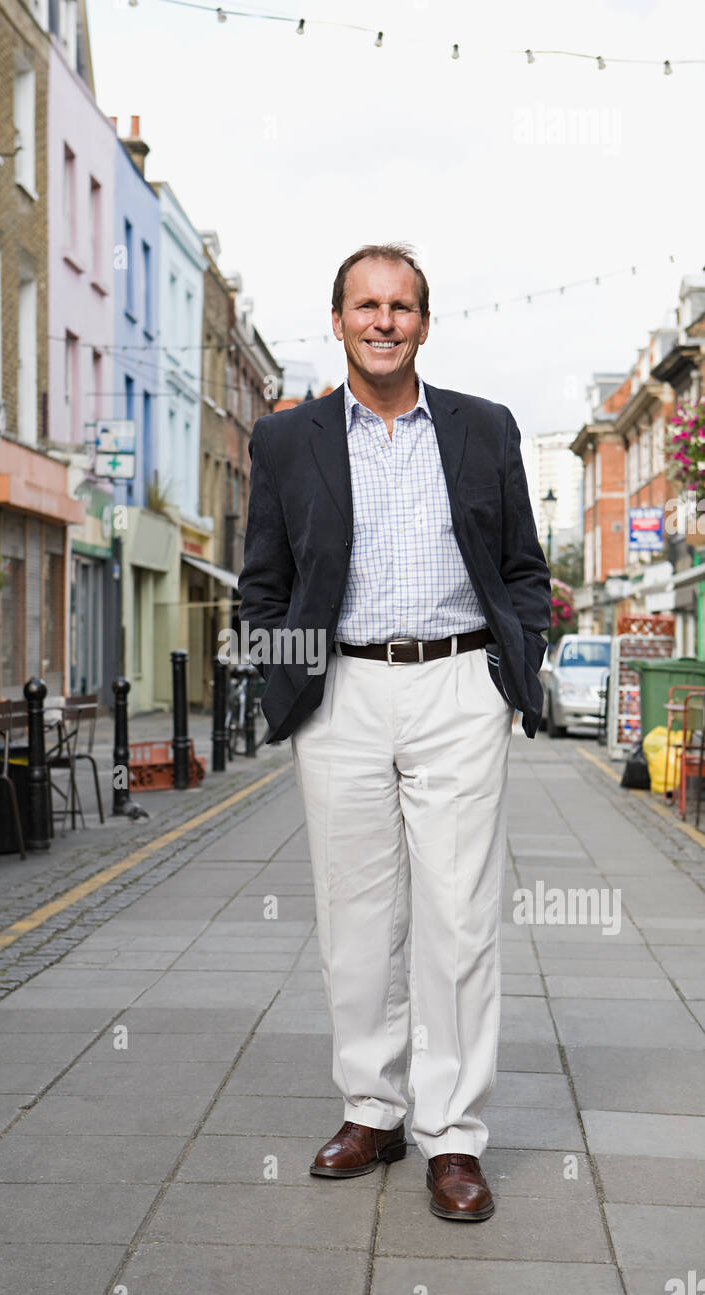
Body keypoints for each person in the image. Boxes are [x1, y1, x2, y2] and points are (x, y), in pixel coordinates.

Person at [236, 243, 551, 1221]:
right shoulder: (284, 441)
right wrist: (283, 684)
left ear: (423, 320)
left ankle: (450, 1135)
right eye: (364, 305)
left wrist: (510, 668)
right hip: (341, 694)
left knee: (458, 920)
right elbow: (263, 580)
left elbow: (523, 568)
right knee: (355, 920)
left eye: (400, 306)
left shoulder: (482, 428)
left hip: (456, 685)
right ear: (335, 321)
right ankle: (370, 1107)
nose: (382, 321)